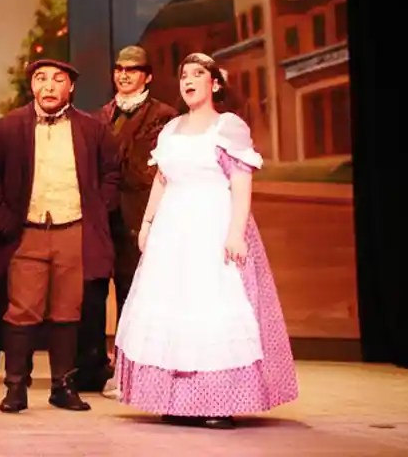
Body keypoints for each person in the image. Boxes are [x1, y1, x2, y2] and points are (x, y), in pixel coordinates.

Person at [113, 52, 298, 429]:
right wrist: (147, 222)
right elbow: (162, 178)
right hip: (173, 228)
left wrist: (236, 232)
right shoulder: (170, 129)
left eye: (198, 74)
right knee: (171, 306)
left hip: (212, 222)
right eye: (184, 75)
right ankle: (174, 400)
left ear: (214, 84)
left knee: (211, 303)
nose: (189, 80)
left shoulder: (228, 126)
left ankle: (217, 402)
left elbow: (241, 182)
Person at [0, 58, 120, 414]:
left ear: (71, 87)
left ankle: (63, 386)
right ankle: (15, 387)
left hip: (74, 229)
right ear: (32, 86)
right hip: (27, 231)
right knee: (22, 311)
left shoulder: (92, 128)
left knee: (67, 310)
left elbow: (112, 173)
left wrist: (97, 209)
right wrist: (3, 220)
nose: (49, 86)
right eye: (41, 79)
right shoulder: (10, 127)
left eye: (58, 79)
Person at [82, 45, 178, 396]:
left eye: (132, 70)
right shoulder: (99, 116)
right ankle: (92, 367)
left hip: (137, 216)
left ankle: (130, 370)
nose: (123, 75)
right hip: (101, 216)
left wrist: (108, 160)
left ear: (147, 76)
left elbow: (144, 167)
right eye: (119, 69)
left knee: (132, 293)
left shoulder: (163, 116)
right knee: (92, 292)